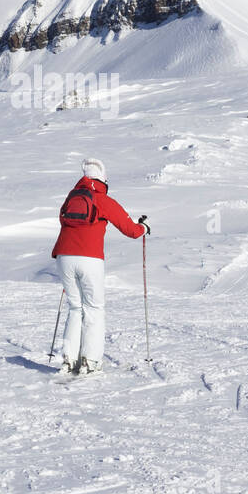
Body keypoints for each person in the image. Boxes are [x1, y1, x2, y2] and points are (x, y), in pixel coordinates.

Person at [51, 158, 147, 375]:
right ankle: (90, 361)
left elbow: (63, 220)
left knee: (75, 307)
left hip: (64, 257)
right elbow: (130, 230)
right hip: (90, 258)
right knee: (93, 308)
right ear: (103, 179)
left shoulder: (71, 198)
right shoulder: (102, 199)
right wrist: (143, 228)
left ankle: (69, 359)